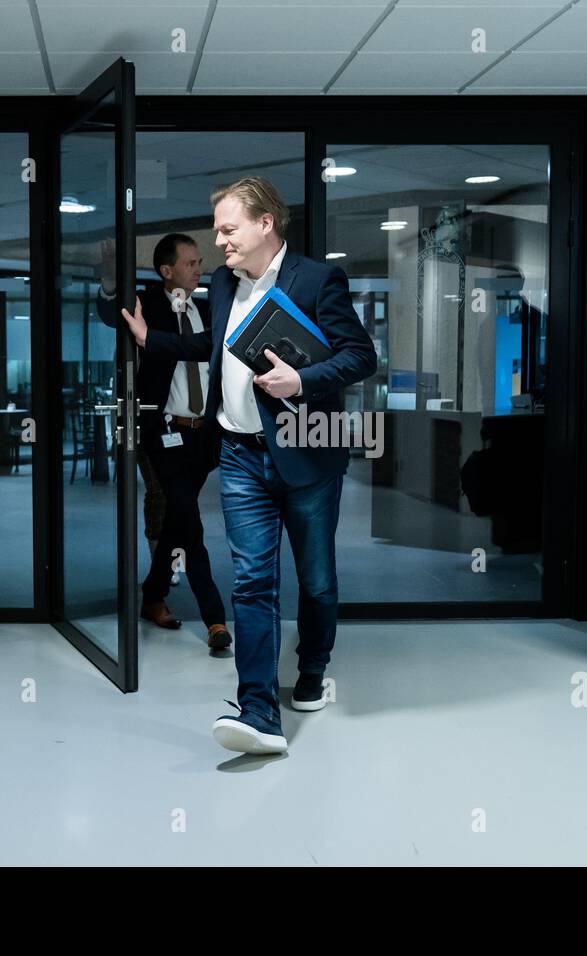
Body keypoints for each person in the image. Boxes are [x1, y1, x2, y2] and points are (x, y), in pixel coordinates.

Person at [119, 176, 377, 754]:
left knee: (315, 580)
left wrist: (301, 380)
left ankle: (312, 670)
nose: (219, 242)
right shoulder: (220, 282)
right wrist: (151, 339)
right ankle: (258, 709)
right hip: (239, 455)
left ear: (266, 224)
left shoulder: (316, 279)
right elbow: (214, 345)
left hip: (308, 450)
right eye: (216, 231)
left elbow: (361, 355)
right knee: (254, 581)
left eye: (228, 229)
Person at [97, 234, 231, 652]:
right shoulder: (147, 306)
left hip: (203, 434)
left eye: (199, 262)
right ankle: (215, 620)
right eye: (191, 263)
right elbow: (108, 309)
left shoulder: (209, 310)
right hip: (163, 433)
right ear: (166, 271)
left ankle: (152, 595)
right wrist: (108, 277)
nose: (199, 268)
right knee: (189, 522)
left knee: (177, 519)